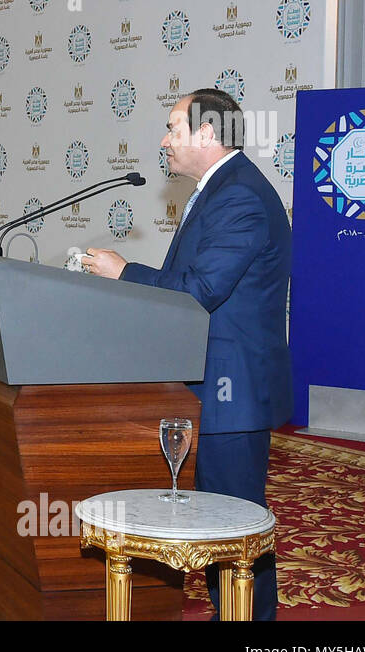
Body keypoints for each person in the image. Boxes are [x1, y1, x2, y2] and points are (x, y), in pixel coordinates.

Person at [85, 88, 292, 622]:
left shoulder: (240, 196)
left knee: (237, 530)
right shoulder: (218, 189)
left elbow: (200, 289)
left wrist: (124, 272)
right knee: (218, 524)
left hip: (231, 390)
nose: (163, 141)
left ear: (206, 133)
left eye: (172, 129)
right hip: (205, 385)